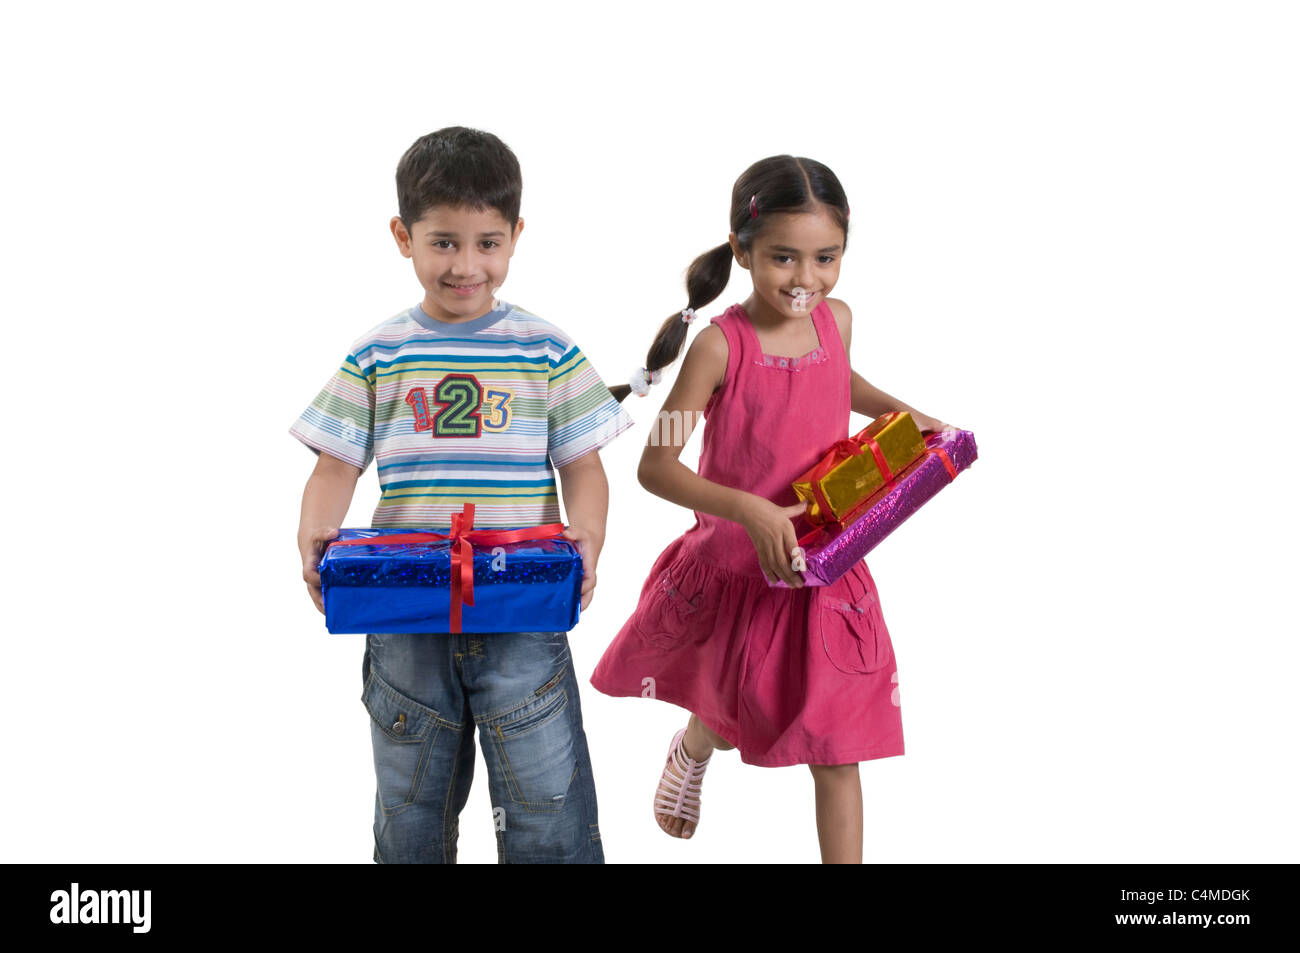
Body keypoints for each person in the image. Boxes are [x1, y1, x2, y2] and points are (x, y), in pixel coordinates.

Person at [591, 155, 956, 863]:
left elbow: (840, 380)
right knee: (730, 714)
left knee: (839, 749)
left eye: (827, 257)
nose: (806, 279)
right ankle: (696, 745)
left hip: (825, 565)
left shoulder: (837, 320)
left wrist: (914, 419)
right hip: (739, 566)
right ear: (743, 251)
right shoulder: (718, 349)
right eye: (784, 258)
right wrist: (751, 511)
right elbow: (656, 464)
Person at [291, 127, 634, 863]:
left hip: (522, 602)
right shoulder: (378, 352)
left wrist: (590, 536)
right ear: (402, 236)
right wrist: (315, 537)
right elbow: (334, 464)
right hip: (406, 604)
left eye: (486, 242)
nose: (466, 265)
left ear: (515, 236)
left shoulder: (545, 349)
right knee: (412, 806)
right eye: (443, 242)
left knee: (546, 807)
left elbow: (583, 463)